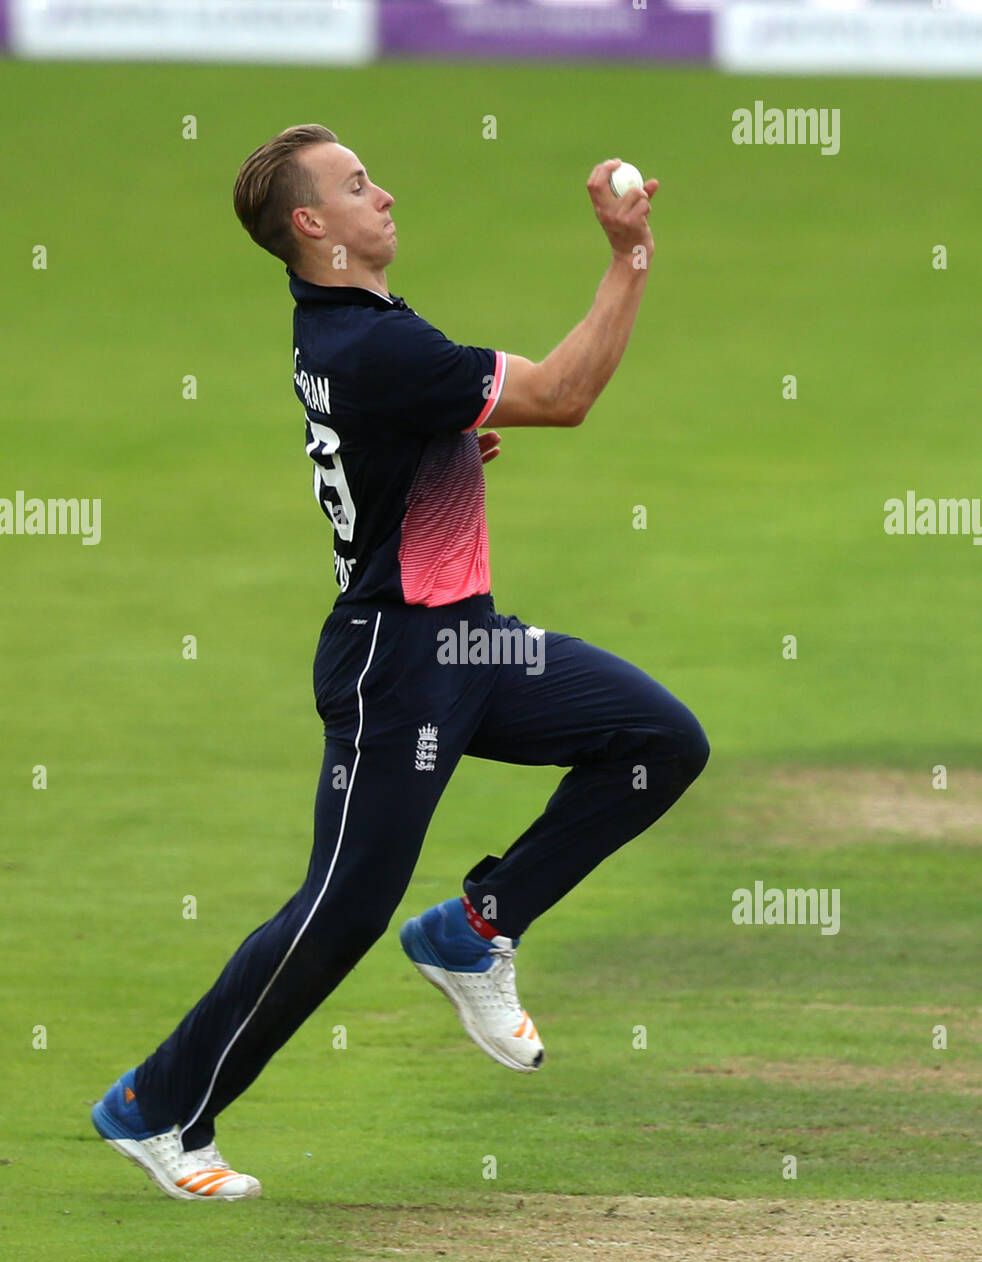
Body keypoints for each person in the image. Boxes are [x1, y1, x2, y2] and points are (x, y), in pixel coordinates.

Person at [91, 125, 709, 1200]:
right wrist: (627, 255)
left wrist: (445, 447)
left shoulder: (355, 327)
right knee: (338, 910)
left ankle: (473, 928)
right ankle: (158, 1106)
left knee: (656, 742)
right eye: (356, 184)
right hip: (398, 662)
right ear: (309, 226)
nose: (385, 194)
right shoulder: (377, 348)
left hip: (466, 634)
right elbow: (564, 393)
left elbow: (391, 432)